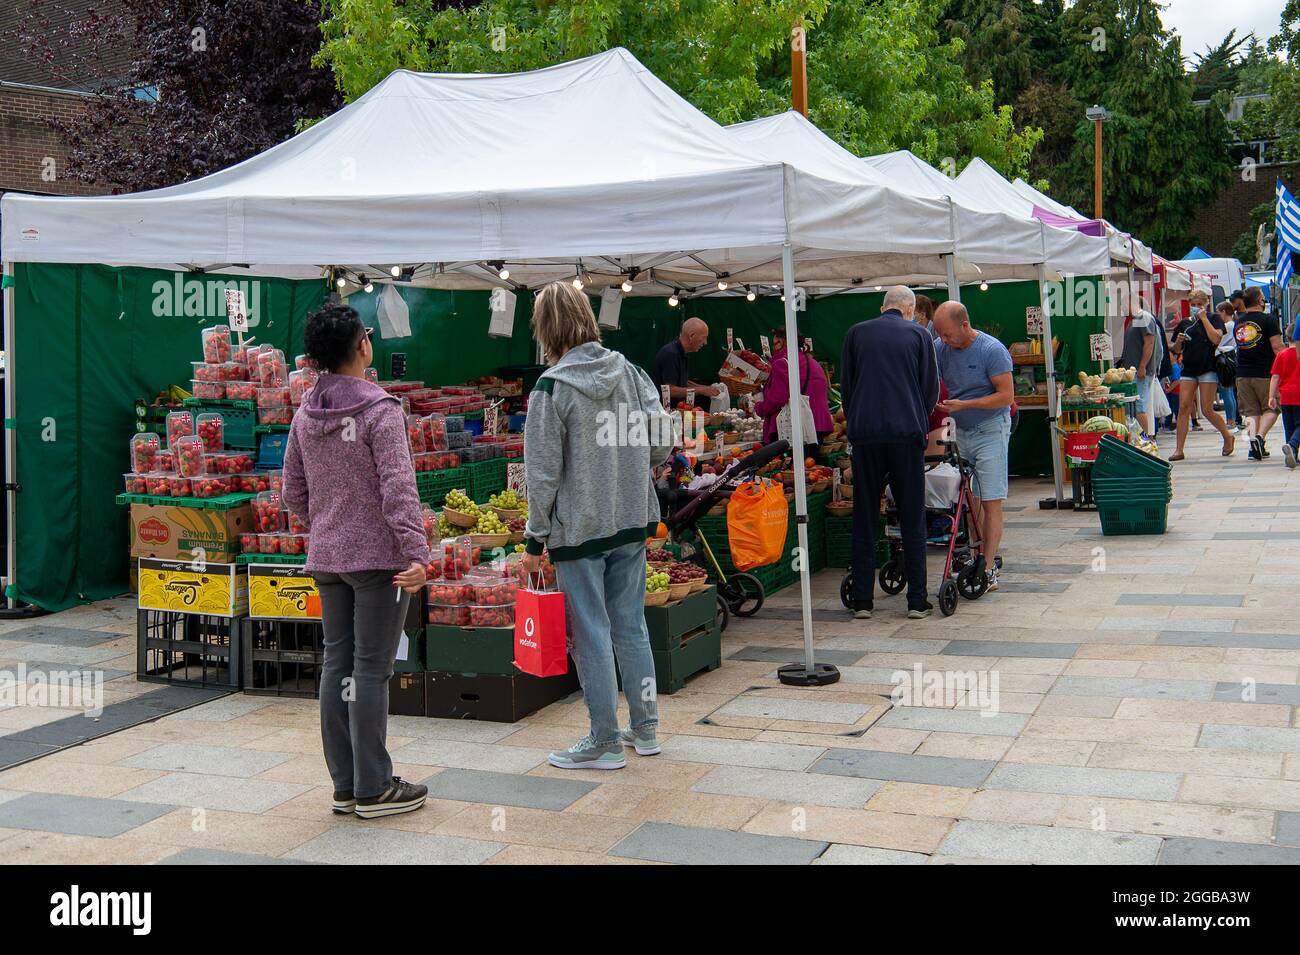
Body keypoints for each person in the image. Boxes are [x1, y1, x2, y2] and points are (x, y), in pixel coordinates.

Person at [282, 304, 430, 820]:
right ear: (363, 347)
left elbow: (292, 493)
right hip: (380, 562)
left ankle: (346, 785)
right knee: (371, 670)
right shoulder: (380, 410)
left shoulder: (305, 412)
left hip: (327, 557)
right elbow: (398, 488)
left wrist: (328, 523)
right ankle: (374, 787)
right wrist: (416, 552)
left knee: (337, 664)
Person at [523, 281, 675, 769]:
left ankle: (605, 739)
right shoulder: (632, 373)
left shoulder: (551, 389)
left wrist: (534, 537)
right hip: (632, 518)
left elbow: (542, 473)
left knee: (591, 631)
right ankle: (645, 729)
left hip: (580, 529)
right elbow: (660, 444)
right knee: (630, 626)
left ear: (545, 329)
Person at [839, 285, 938, 619]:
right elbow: (930, 390)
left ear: (884, 308)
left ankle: (863, 601)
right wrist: (916, 417)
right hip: (905, 435)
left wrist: (858, 422)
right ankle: (917, 600)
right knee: (912, 515)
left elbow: (847, 388)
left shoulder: (855, 334)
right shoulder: (919, 335)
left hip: (866, 436)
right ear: (910, 309)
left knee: (865, 514)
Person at [932, 300, 1014, 591]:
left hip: (991, 428)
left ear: (965, 325)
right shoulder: (940, 348)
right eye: (939, 334)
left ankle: (989, 568)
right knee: (968, 500)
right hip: (960, 430)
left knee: (991, 499)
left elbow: (1006, 396)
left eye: (948, 334)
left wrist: (965, 404)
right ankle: (975, 555)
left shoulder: (992, 350)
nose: (943, 340)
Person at [1168, 291, 1234, 461]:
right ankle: (1179, 449)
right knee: (1183, 407)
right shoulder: (1184, 323)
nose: (1196, 308)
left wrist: (1204, 319)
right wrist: (1179, 342)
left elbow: (1216, 339)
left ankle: (1227, 435)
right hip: (1189, 368)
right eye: (1193, 304)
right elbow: (1175, 350)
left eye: (1199, 304)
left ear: (1206, 304)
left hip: (1208, 367)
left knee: (1206, 409)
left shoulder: (1213, 318)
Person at [752, 329, 834, 454]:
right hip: (816, 427)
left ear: (782, 342)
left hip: (795, 429)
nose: (774, 348)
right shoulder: (813, 363)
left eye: (775, 343)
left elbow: (778, 399)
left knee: (793, 470)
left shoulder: (782, 363)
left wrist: (759, 407)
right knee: (809, 467)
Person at [1233, 286, 1284, 460]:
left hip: (1242, 373)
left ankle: (1253, 446)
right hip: (1265, 373)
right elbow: (1277, 346)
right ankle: (1259, 438)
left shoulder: (1239, 322)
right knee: (1272, 407)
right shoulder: (1268, 320)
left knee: (1250, 411)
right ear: (1260, 300)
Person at [1117, 292, 1161, 437]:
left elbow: (1149, 342)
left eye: (1123, 303)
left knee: (1139, 406)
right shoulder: (1134, 320)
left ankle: (1146, 439)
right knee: (1134, 406)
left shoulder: (1143, 317)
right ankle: (1139, 438)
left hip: (1140, 371)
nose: (1121, 307)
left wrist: (1142, 366)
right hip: (1134, 371)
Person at [650, 317, 718, 401]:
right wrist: (701, 390)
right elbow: (670, 390)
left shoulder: (680, 352)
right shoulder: (671, 354)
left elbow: (683, 382)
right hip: (663, 411)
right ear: (691, 336)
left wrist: (706, 388)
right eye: (703, 337)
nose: (705, 342)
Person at [1268, 332, 1300, 469]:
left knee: (1289, 426)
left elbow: (1275, 377)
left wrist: (1271, 396)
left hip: (1286, 396)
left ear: (1287, 338)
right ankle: (1292, 446)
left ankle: (1292, 454)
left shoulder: (1282, 354)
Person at [1215, 301, 1239, 434]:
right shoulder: (1233, 324)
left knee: (1226, 391)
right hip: (1230, 358)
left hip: (1224, 359)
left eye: (1218, 312)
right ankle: (1232, 419)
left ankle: (1230, 420)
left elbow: (1217, 339)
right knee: (1229, 391)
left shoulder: (1227, 326)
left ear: (1224, 312)